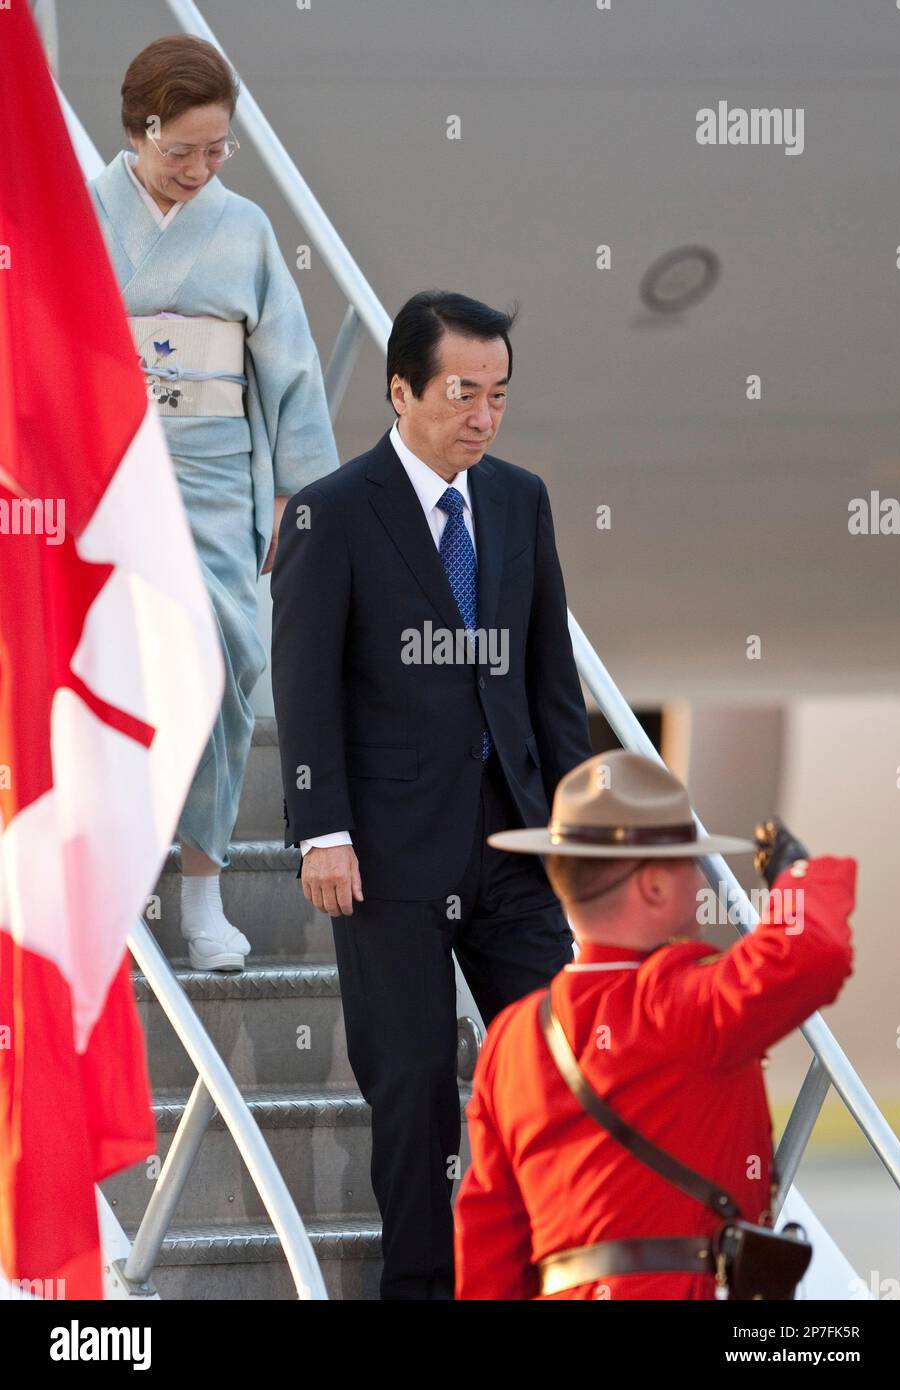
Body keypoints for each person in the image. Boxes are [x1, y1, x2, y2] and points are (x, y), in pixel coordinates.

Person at [271, 290, 593, 1299]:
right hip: (385, 851)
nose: (484, 417)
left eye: (499, 395)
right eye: (463, 393)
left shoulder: (517, 500)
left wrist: (574, 827)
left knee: (557, 1068)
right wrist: (320, 827)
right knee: (412, 1090)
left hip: (511, 846)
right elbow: (304, 680)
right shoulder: (334, 508)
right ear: (401, 389)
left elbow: (549, 680)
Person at [89, 36, 339, 971]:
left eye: (217, 150)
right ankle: (106, 879)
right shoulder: (79, 216)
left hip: (216, 471)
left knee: (228, 662)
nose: (200, 169)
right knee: (110, 669)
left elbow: (292, 368)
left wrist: (296, 490)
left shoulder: (245, 231)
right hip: (104, 475)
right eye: (182, 151)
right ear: (140, 132)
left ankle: (201, 891)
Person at [454, 750, 856, 1299]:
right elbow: (812, 953)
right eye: (688, 863)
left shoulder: (512, 1040)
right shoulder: (681, 1005)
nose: (699, 880)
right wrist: (798, 878)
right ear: (654, 887)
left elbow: (487, 1250)